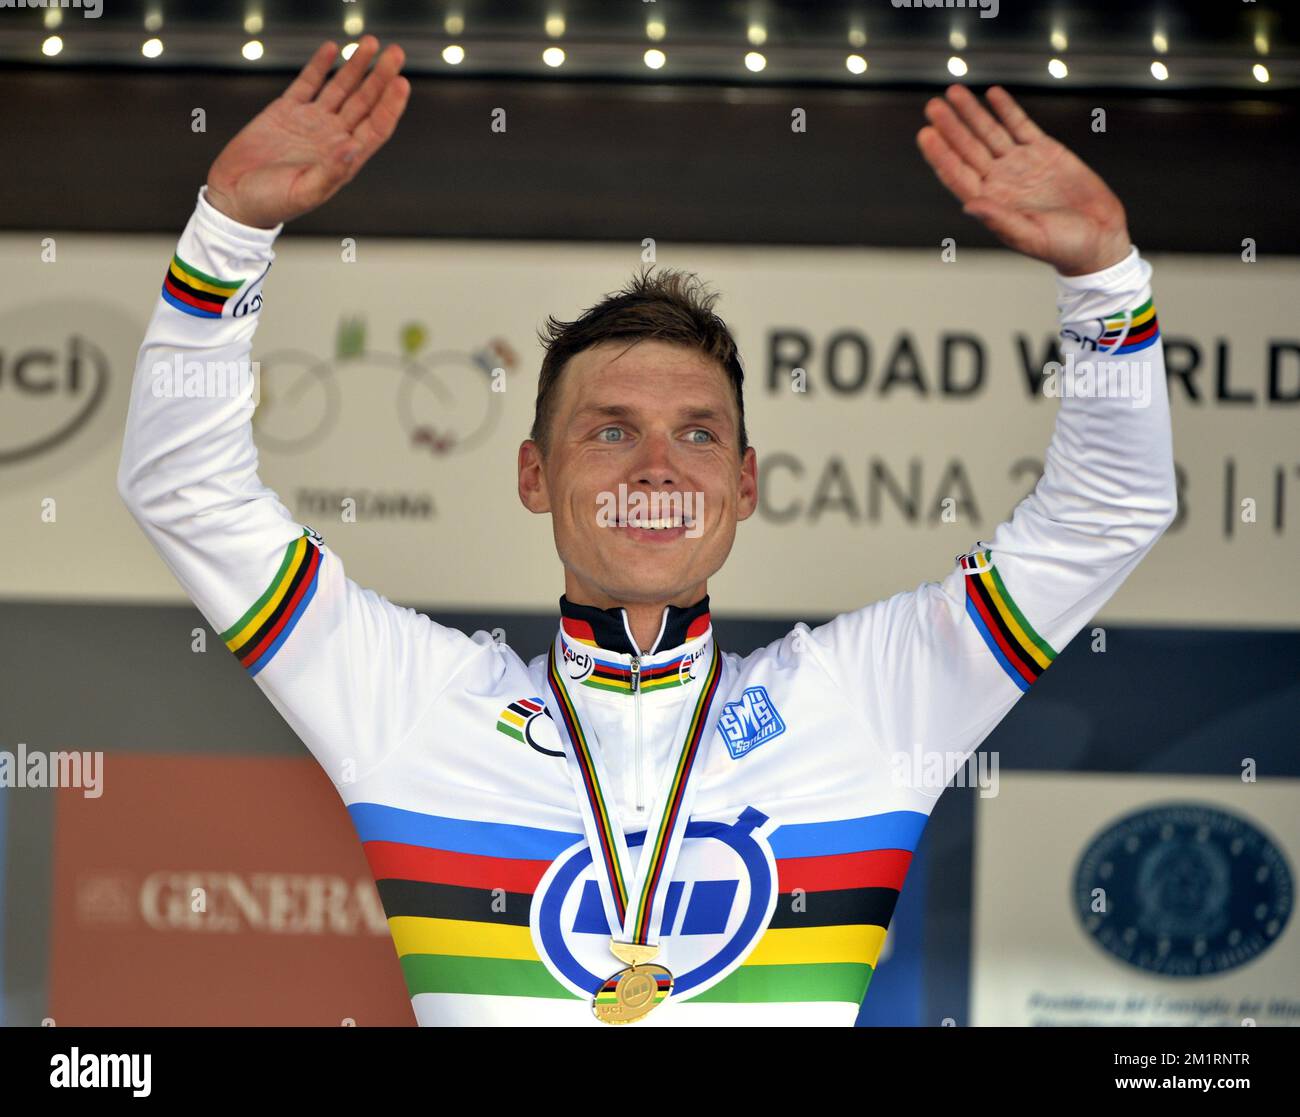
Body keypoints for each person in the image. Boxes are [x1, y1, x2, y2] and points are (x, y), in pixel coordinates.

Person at [118, 37, 1175, 1026]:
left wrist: (1104, 282)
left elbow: (1106, 516)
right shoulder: (415, 707)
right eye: (610, 430)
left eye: (698, 435)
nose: (657, 467)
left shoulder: (863, 703)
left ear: (746, 483)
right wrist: (227, 233)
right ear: (534, 475)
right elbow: (184, 491)